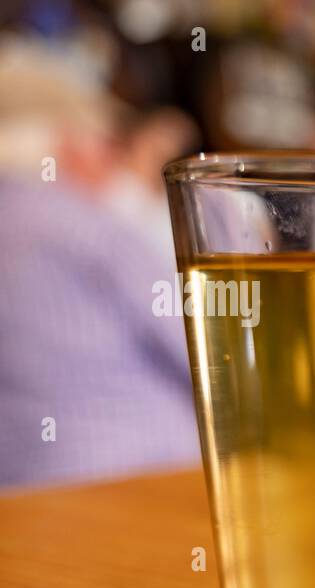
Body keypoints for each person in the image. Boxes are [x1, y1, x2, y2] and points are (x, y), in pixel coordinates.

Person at [0, 40, 199, 488]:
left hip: (21, 491)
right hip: (140, 479)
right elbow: (202, 349)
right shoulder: (86, 228)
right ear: (67, 145)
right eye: (106, 142)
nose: (114, 156)